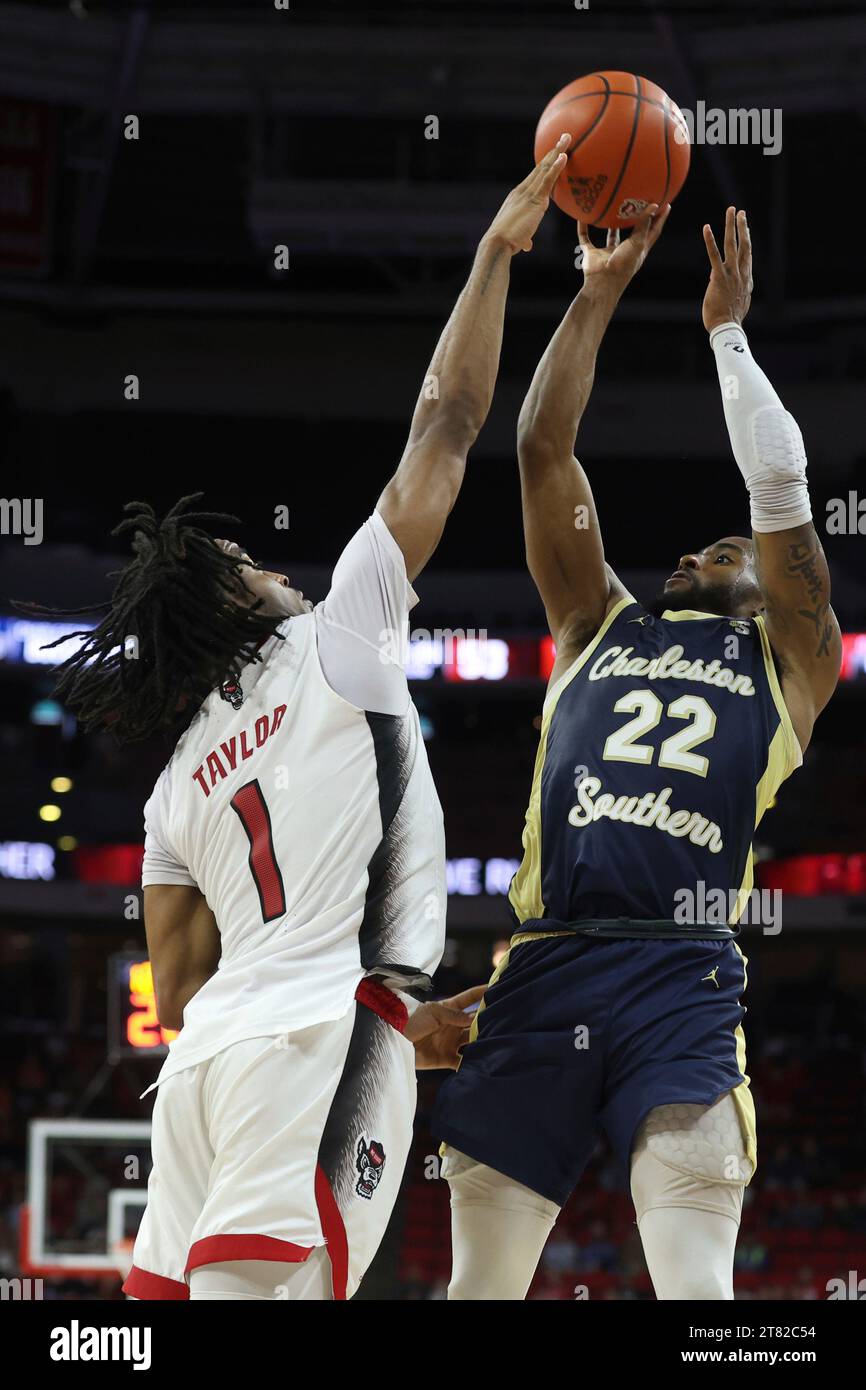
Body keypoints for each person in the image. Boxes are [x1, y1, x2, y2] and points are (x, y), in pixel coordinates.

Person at [32, 136, 570, 1301]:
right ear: (239, 598)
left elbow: (173, 997)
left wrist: (347, 1001)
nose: (263, 558)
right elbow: (449, 420)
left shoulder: (174, 782)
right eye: (240, 556)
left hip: (204, 1073)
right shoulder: (343, 629)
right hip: (317, 1046)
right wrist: (492, 252)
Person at [434, 205, 841, 1300]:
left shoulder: (793, 661)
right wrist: (596, 290)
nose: (687, 552)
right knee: (477, 1287)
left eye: (718, 551)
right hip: (547, 957)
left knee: (696, 1289)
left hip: (678, 969)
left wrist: (725, 336)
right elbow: (539, 449)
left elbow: (781, 492)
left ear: (760, 582)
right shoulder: (591, 624)